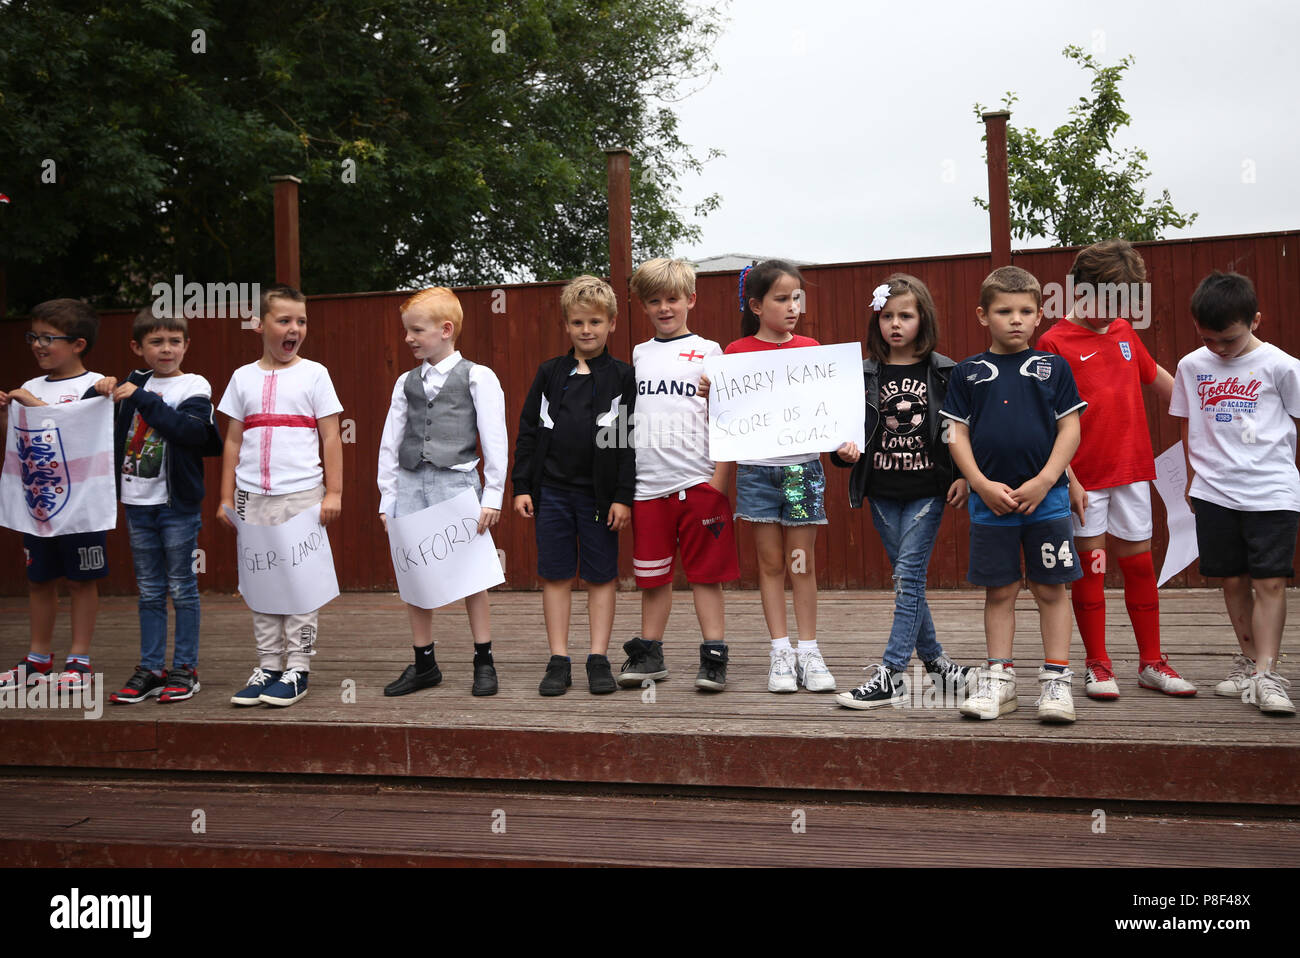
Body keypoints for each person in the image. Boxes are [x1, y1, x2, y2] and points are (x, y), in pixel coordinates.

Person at [1036, 240, 1192, 699]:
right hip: (1085, 479)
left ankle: (1151, 662)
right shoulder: (1053, 342)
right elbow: (1046, 421)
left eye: (1124, 300)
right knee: (1092, 568)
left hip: (1132, 472)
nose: (1115, 309)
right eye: (1107, 298)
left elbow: (1164, 382)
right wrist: (1070, 479)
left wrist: (1208, 405)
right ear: (1079, 289)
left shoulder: (1125, 331)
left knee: (1141, 565)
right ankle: (1098, 666)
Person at [940, 266, 1087, 723]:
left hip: (1048, 501)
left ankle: (1057, 682)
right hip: (992, 504)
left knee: (1050, 588)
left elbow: (1070, 428)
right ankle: (999, 681)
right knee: (1000, 592)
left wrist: (1047, 479)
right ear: (983, 315)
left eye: (1026, 310)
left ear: (1040, 315)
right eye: (1004, 311)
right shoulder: (967, 373)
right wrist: (980, 483)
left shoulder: (1053, 367)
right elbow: (955, 434)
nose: (1016, 319)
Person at [831, 274, 975, 709]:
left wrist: (965, 476)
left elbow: (963, 432)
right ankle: (939, 667)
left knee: (908, 578)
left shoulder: (946, 373)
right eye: (887, 316)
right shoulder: (862, 375)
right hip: (881, 491)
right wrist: (844, 453)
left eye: (905, 316)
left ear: (922, 319)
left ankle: (892, 672)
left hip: (928, 490)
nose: (895, 324)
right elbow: (842, 438)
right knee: (906, 581)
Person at [1170, 270, 1299, 715]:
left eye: (1229, 340)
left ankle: (1268, 673)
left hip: (1271, 490)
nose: (1219, 349)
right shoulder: (1192, 366)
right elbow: (1188, 420)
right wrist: (1192, 476)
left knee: (1271, 580)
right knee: (1231, 578)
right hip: (1213, 489)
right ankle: (1247, 661)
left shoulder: (1282, 366)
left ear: (1256, 321)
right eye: (1209, 340)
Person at [216, 284, 344, 707]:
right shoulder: (241, 377)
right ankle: (269, 665)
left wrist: (334, 491)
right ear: (259, 324)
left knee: (300, 584)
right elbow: (232, 442)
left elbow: (331, 437)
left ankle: (297, 670)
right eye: (284, 320)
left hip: (302, 497)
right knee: (261, 581)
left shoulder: (315, 374)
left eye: (301, 321)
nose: (294, 329)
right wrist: (225, 497)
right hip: (252, 499)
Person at [378, 287, 507, 698]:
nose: (409, 338)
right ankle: (424, 663)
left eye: (417, 330)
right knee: (414, 571)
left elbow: (495, 437)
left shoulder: (477, 375)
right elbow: (390, 442)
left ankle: (483, 660)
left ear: (445, 330)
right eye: (407, 331)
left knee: (472, 575)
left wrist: (493, 495)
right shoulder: (406, 382)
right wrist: (388, 498)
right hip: (412, 482)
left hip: (457, 484)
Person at [714, 260, 836, 693]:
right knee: (769, 563)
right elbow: (726, 419)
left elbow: (830, 409)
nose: (792, 307)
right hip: (756, 472)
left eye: (796, 298)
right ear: (756, 305)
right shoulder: (735, 353)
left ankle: (809, 650)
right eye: (781, 299)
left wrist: (844, 439)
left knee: (800, 563)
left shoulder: (811, 348)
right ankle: (780, 650)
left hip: (802, 470)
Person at [619, 257, 739, 691]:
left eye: (672, 298)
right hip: (649, 486)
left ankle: (713, 654)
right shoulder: (639, 353)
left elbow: (728, 417)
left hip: (698, 482)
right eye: (654, 301)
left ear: (691, 299)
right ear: (643, 306)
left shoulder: (710, 351)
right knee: (653, 577)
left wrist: (719, 481)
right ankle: (650, 653)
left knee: (706, 576)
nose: (664, 308)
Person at [512, 276, 636, 695]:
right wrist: (522, 486)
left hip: (599, 499)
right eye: (579, 322)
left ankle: (598, 658)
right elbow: (529, 431)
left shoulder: (622, 377)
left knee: (601, 577)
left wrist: (622, 496)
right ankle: (559, 658)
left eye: (595, 322)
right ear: (567, 325)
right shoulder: (550, 373)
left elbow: (625, 441)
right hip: (553, 494)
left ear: (612, 324)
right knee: (556, 575)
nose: (587, 330)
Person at [99, 309, 222, 704]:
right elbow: (87, 416)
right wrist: (98, 387)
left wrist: (143, 399)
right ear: (138, 347)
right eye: (156, 342)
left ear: (186, 345)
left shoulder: (194, 385)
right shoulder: (131, 383)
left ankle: (185, 668)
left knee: (182, 589)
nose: (166, 349)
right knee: (150, 591)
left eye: (174, 341)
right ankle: (151, 669)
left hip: (177, 506)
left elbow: (190, 432)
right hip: (137, 503)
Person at [0, 299, 108, 693]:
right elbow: (19, 444)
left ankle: (79, 659)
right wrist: (5, 415)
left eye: (48, 338)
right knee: (39, 580)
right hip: (40, 505)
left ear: (78, 344)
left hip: (82, 506)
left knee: (82, 580)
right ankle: (37, 658)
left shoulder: (96, 385)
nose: (38, 345)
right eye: (34, 337)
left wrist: (33, 405)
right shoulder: (29, 387)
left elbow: (71, 430)